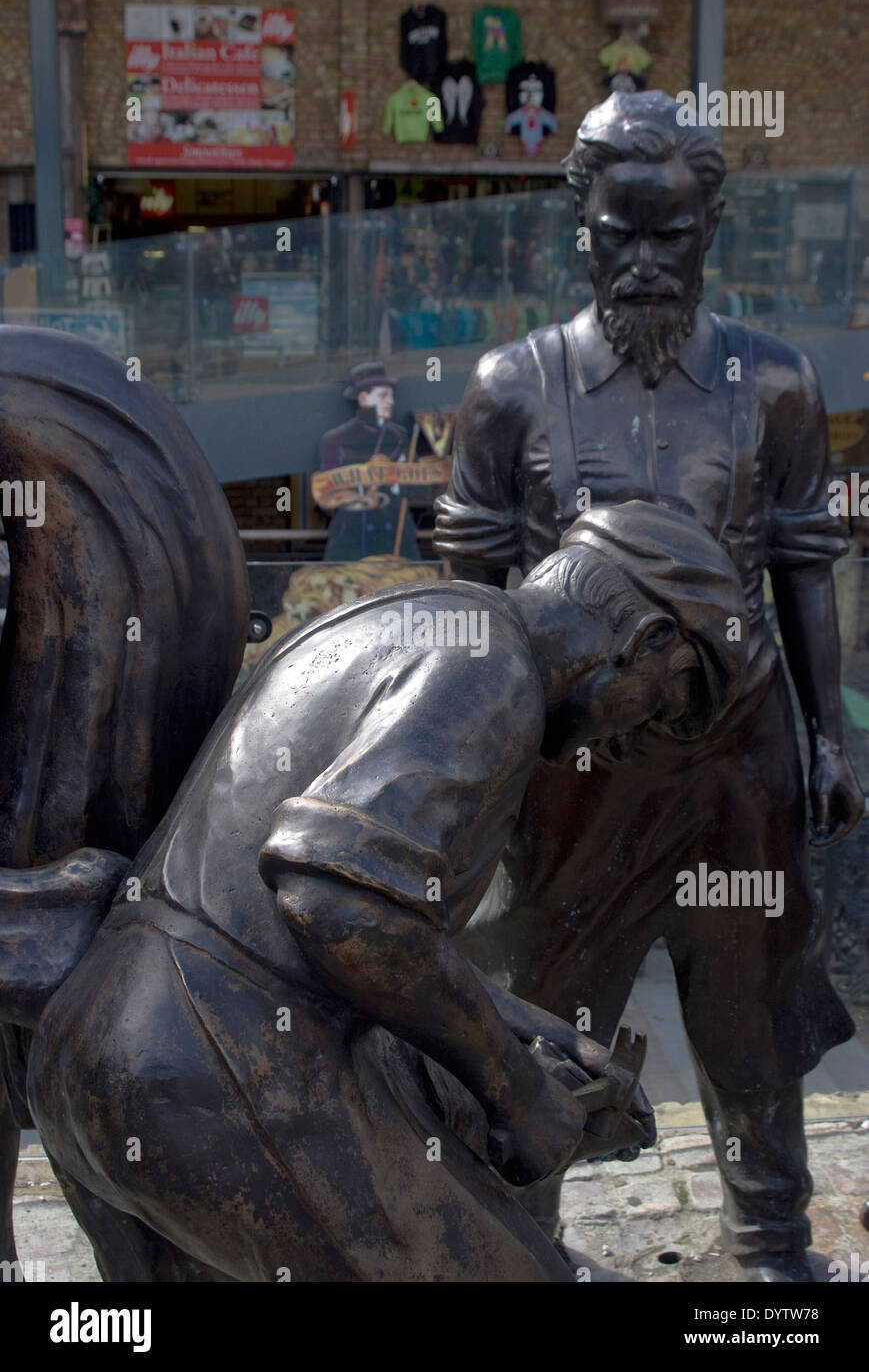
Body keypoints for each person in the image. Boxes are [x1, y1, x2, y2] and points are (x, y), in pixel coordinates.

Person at [27, 502, 747, 1282]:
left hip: (105, 1046)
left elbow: (367, 920)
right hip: (213, 1066)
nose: (624, 742)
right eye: (659, 705)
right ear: (646, 641)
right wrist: (517, 1092)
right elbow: (338, 905)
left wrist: (533, 1036)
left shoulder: (410, 619)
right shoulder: (491, 670)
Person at [434, 89, 864, 1282]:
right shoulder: (507, 387)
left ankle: (770, 1247)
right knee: (544, 1016)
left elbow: (800, 564)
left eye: (666, 234)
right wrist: (467, 766)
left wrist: (829, 738)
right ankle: (521, 1241)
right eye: (615, 231)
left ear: (709, 226)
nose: (639, 261)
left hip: (738, 766)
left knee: (751, 1012)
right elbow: (463, 607)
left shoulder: (774, 383)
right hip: (569, 781)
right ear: (579, 226)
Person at [318, 361, 421, 561]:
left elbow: (418, 487)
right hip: (353, 533)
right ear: (364, 399)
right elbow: (327, 497)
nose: (390, 401)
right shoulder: (336, 440)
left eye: (391, 395)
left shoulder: (400, 437)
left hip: (396, 534)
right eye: (383, 395)